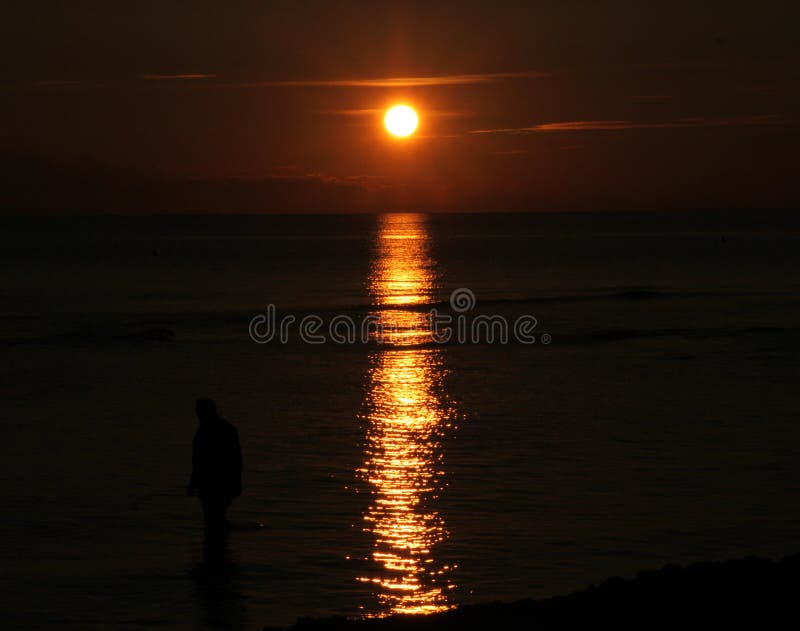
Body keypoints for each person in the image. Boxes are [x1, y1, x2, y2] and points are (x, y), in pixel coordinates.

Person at [187, 398, 243, 532]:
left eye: (199, 411)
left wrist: (193, 483)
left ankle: (215, 547)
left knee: (213, 517)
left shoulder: (207, 431)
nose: (197, 414)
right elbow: (237, 458)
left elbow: (200, 460)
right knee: (216, 517)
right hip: (222, 482)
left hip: (213, 483)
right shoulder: (226, 428)